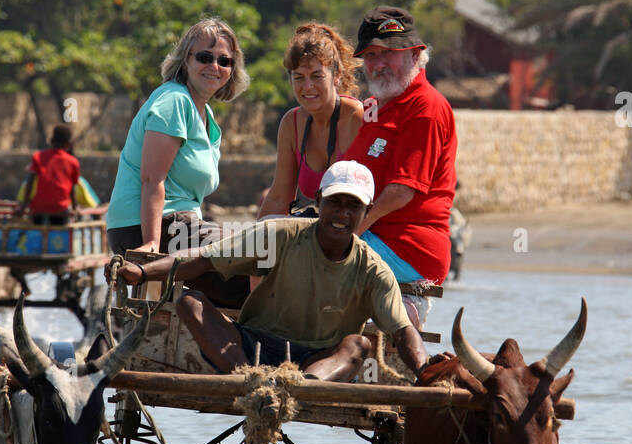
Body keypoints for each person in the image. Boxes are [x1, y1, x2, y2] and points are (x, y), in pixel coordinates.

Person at [107, 160, 428, 381]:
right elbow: (205, 258)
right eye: (335, 202)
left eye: (353, 206)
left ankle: (304, 387)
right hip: (251, 346)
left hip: (317, 360)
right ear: (318, 202)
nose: (341, 214)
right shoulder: (280, 234)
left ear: (367, 211)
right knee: (189, 302)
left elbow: (403, 331)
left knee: (358, 345)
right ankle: (250, 379)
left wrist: (425, 373)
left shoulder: (373, 270)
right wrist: (143, 272)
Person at [105, 16, 250, 305]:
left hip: (183, 227)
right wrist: (151, 244)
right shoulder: (174, 101)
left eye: (225, 61)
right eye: (205, 57)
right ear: (185, 60)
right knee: (258, 252)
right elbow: (152, 178)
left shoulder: (207, 117)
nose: (215, 67)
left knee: (261, 255)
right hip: (153, 227)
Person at [339, 6, 456, 326]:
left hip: (408, 246)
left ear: (416, 55)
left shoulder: (426, 107)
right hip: (376, 238)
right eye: (371, 56)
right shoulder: (377, 107)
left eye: (389, 53)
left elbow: (403, 190)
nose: (378, 64)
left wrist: (354, 231)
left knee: (303, 254)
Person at [256, 22, 364, 218]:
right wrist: (253, 244)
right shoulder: (292, 124)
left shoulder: (355, 118)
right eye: (298, 77)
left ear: (336, 75)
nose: (308, 86)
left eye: (317, 76)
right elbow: (279, 197)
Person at [20, 123, 82, 224]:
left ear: (52, 141)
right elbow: (71, 188)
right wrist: (75, 207)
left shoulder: (38, 156)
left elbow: (30, 181)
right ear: (68, 144)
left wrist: (23, 206)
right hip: (60, 208)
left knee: (38, 232)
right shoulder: (72, 162)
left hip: (38, 208)